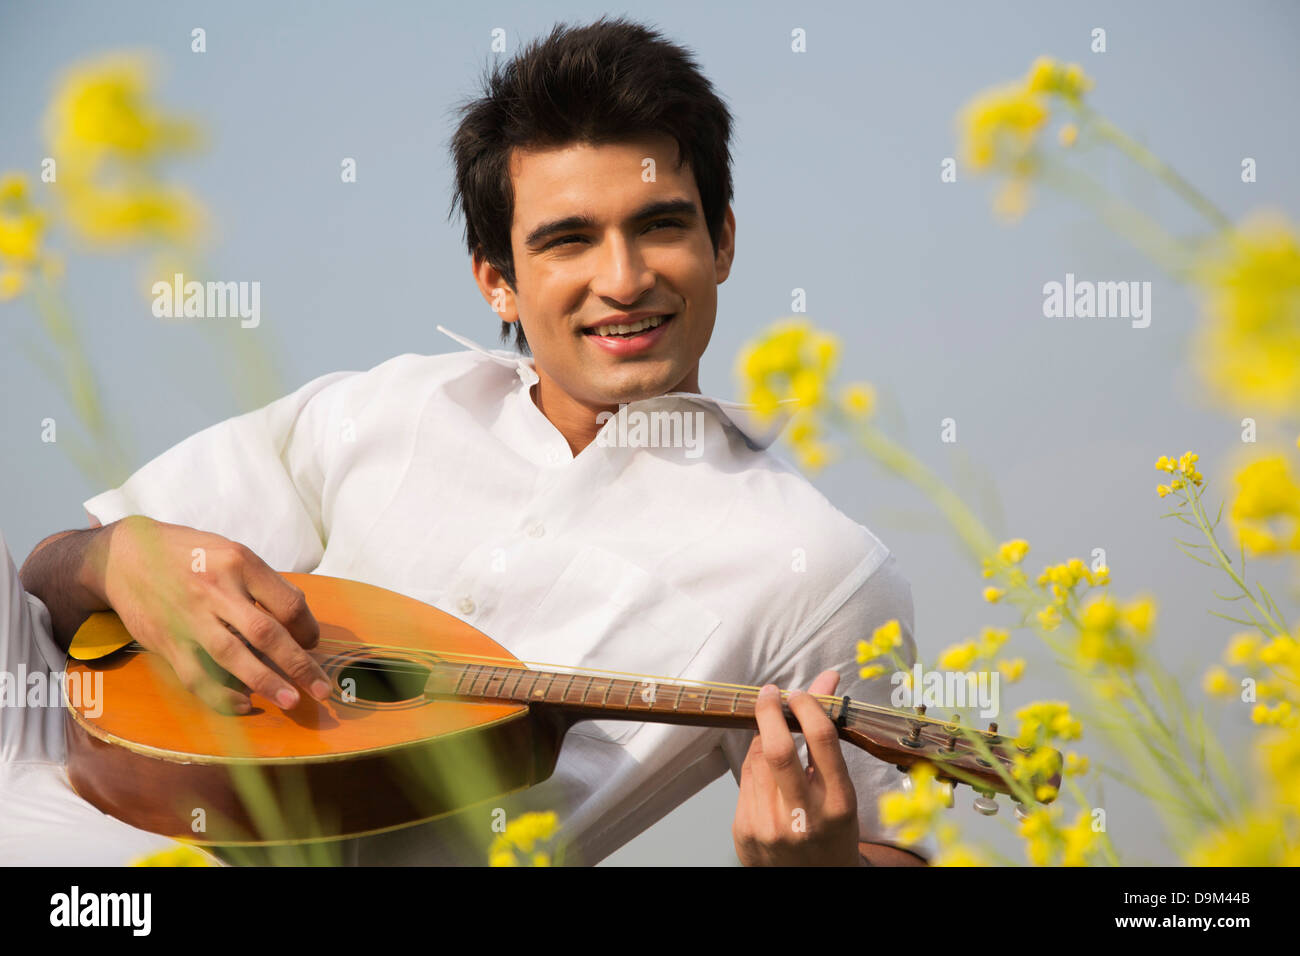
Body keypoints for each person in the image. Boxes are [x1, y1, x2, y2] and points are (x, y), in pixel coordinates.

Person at [14, 16, 927, 866]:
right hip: (52, 766)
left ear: (721, 241)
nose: (623, 278)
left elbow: (892, 841)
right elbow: (46, 588)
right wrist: (113, 556)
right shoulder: (379, 407)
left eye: (660, 225)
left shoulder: (817, 564)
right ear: (498, 281)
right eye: (568, 241)